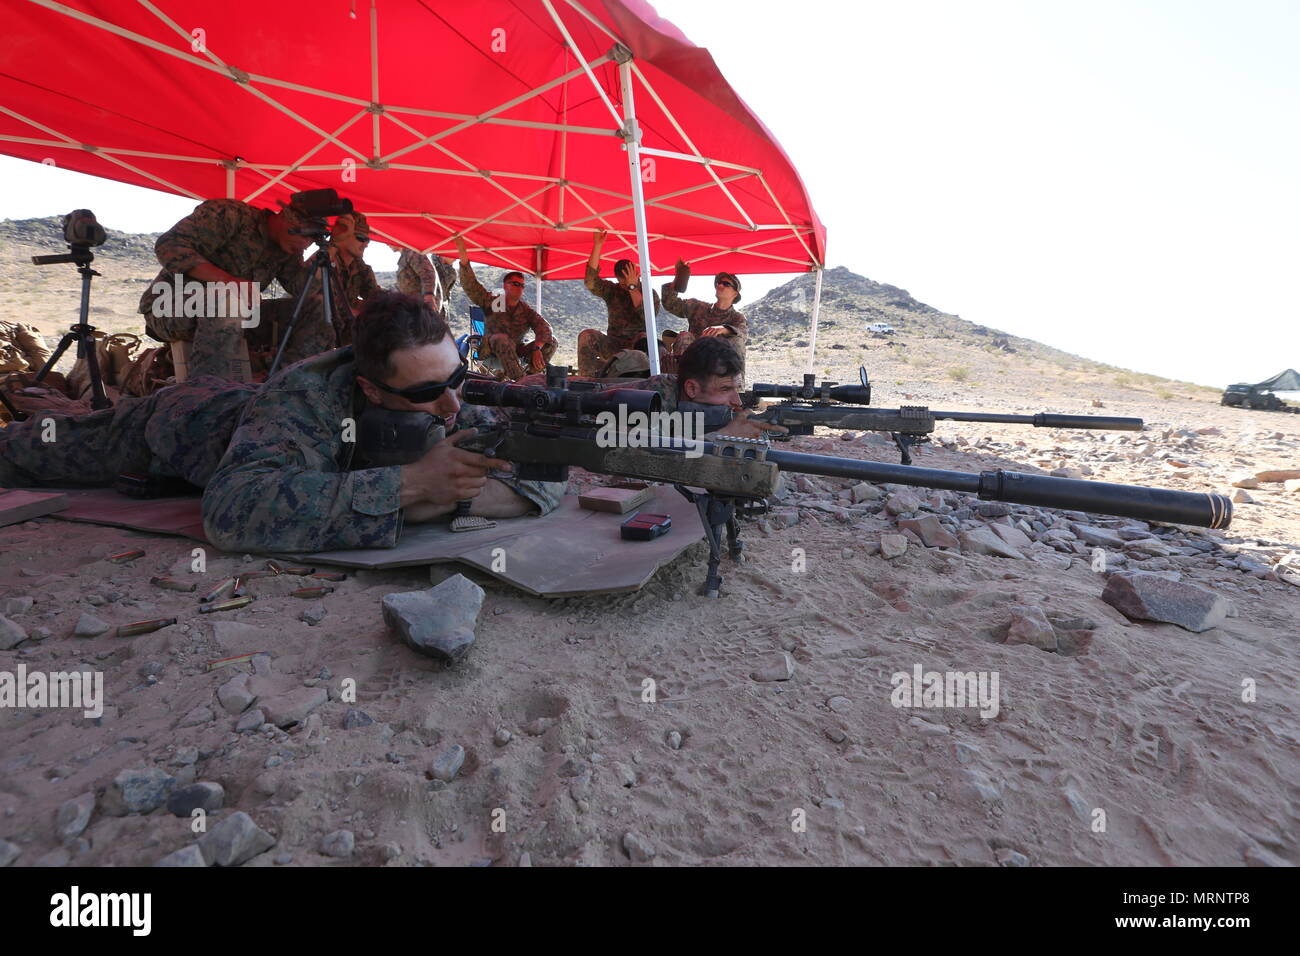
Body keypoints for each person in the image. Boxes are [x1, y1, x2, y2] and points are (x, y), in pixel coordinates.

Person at [2, 292, 565, 553]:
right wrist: (412, 486)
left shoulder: (444, 391)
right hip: (174, 421)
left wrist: (451, 494)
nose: (450, 406)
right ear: (369, 387)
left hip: (241, 402)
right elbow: (232, 513)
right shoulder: (306, 400)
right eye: (424, 392)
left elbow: (545, 474)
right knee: (30, 451)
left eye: (457, 378)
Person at [139, 197, 331, 380]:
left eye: (313, 239)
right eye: (305, 234)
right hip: (170, 308)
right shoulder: (232, 215)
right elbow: (169, 245)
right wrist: (226, 280)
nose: (306, 245)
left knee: (318, 307)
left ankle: (284, 382)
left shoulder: (288, 247)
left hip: (239, 316)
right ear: (286, 218)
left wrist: (335, 248)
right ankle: (206, 394)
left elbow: (303, 288)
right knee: (228, 298)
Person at [453, 236, 556, 380]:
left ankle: (531, 376)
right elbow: (471, 286)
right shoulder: (492, 302)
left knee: (552, 341)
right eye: (515, 284)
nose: (519, 288)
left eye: (522, 285)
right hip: (490, 350)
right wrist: (463, 256)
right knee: (502, 339)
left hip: (516, 350)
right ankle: (521, 383)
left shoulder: (525, 310)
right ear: (505, 285)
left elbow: (544, 327)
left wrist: (537, 348)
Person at [577, 230, 661, 377]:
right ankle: (587, 380)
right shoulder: (613, 291)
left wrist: (632, 288)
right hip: (614, 344)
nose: (625, 286)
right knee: (587, 335)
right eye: (622, 283)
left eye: (628, 281)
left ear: (637, 274)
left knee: (643, 337)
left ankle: (645, 379)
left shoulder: (649, 293)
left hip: (639, 347)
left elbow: (648, 316)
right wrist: (597, 245)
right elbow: (591, 282)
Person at [661, 258, 748, 361]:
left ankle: (730, 377)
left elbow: (743, 333)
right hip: (692, 360)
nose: (720, 285)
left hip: (717, 362)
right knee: (685, 336)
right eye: (718, 282)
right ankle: (680, 374)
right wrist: (679, 277)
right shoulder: (698, 307)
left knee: (737, 341)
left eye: (726, 284)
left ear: (735, 293)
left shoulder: (736, 317)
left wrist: (724, 329)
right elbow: (670, 303)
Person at [325, 211, 381, 346]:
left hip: (347, 332)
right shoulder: (325, 261)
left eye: (368, 239)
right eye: (361, 238)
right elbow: (324, 304)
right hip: (324, 333)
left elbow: (376, 298)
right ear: (343, 236)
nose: (366, 244)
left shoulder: (361, 268)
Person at [392, 245, 456, 316]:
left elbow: (428, 274)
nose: (387, 243)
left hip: (424, 310)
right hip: (416, 308)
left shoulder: (413, 253)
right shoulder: (406, 255)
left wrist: (429, 297)